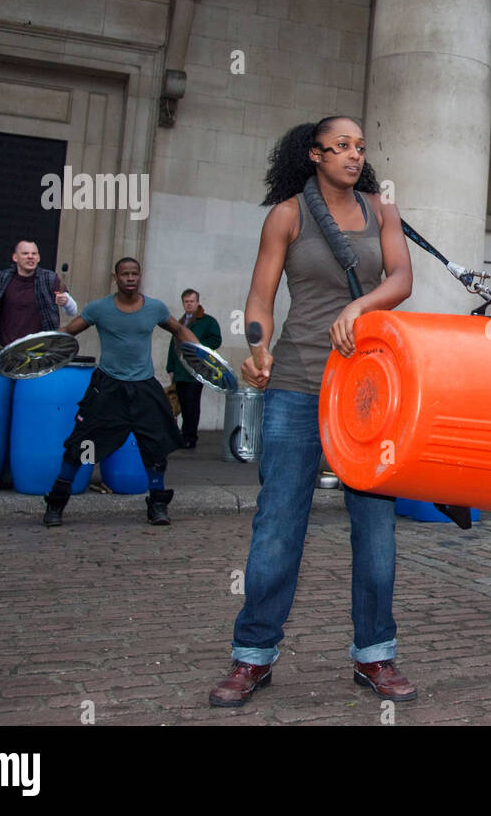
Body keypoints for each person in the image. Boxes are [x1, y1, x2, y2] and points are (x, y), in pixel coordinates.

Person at [209, 116, 415, 708]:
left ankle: (375, 655)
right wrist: (256, 346)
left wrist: (362, 307)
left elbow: (401, 279)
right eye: (342, 146)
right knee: (278, 523)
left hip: (370, 390)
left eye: (360, 147)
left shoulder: (383, 212)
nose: (354, 155)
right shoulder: (287, 215)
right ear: (314, 153)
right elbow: (260, 295)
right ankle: (252, 657)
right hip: (298, 383)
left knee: (375, 527)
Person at [42, 257, 197, 527]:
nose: (130, 278)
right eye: (124, 274)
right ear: (116, 277)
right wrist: (36, 346)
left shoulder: (155, 308)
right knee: (82, 445)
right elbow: (68, 332)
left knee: (155, 447)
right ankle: (56, 503)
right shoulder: (99, 309)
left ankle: (158, 504)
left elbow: (179, 329)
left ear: (140, 276)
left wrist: (204, 357)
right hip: (107, 387)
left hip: (144, 387)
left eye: (134, 273)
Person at [0, 239, 78, 346]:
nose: (30, 256)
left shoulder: (50, 279)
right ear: (15, 257)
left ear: (38, 258)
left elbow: (73, 310)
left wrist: (65, 302)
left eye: (34, 254)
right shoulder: (2, 277)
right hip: (9, 348)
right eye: (25, 253)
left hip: (41, 349)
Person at [164, 289, 223, 449]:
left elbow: (216, 340)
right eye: (186, 302)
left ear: (197, 302)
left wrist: (198, 347)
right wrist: (170, 368)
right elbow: (172, 347)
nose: (189, 304)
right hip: (180, 370)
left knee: (192, 404)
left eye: (191, 301)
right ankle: (183, 435)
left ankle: (190, 436)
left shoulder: (207, 321)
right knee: (181, 404)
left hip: (196, 370)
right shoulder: (180, 322)